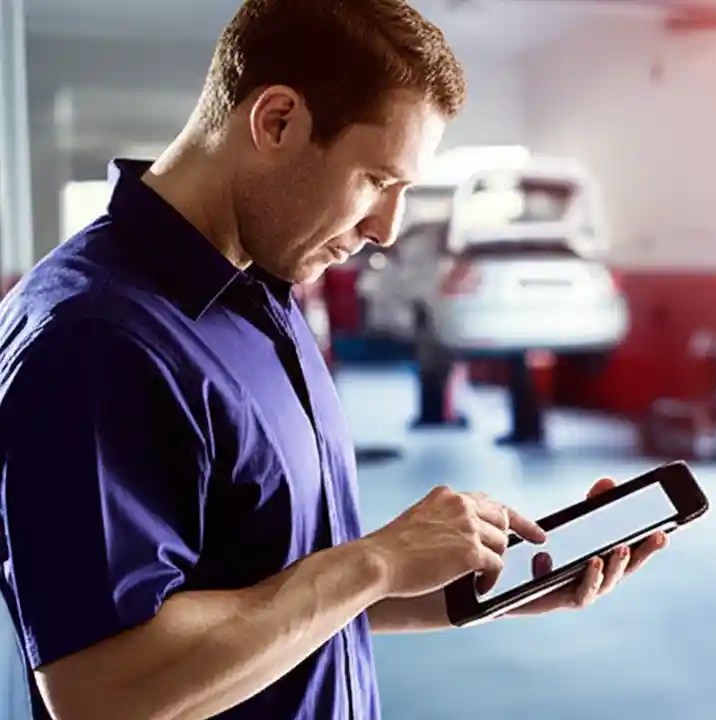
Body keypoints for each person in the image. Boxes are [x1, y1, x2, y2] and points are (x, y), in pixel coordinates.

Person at [0, 1, 666, 718]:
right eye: (379, 181)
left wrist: (480, 589)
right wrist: (374, 559)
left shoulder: (266, 289)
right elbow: (100, 694)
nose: (387, 228)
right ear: (277, 121)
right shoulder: (93, 339)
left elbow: (269, 591)